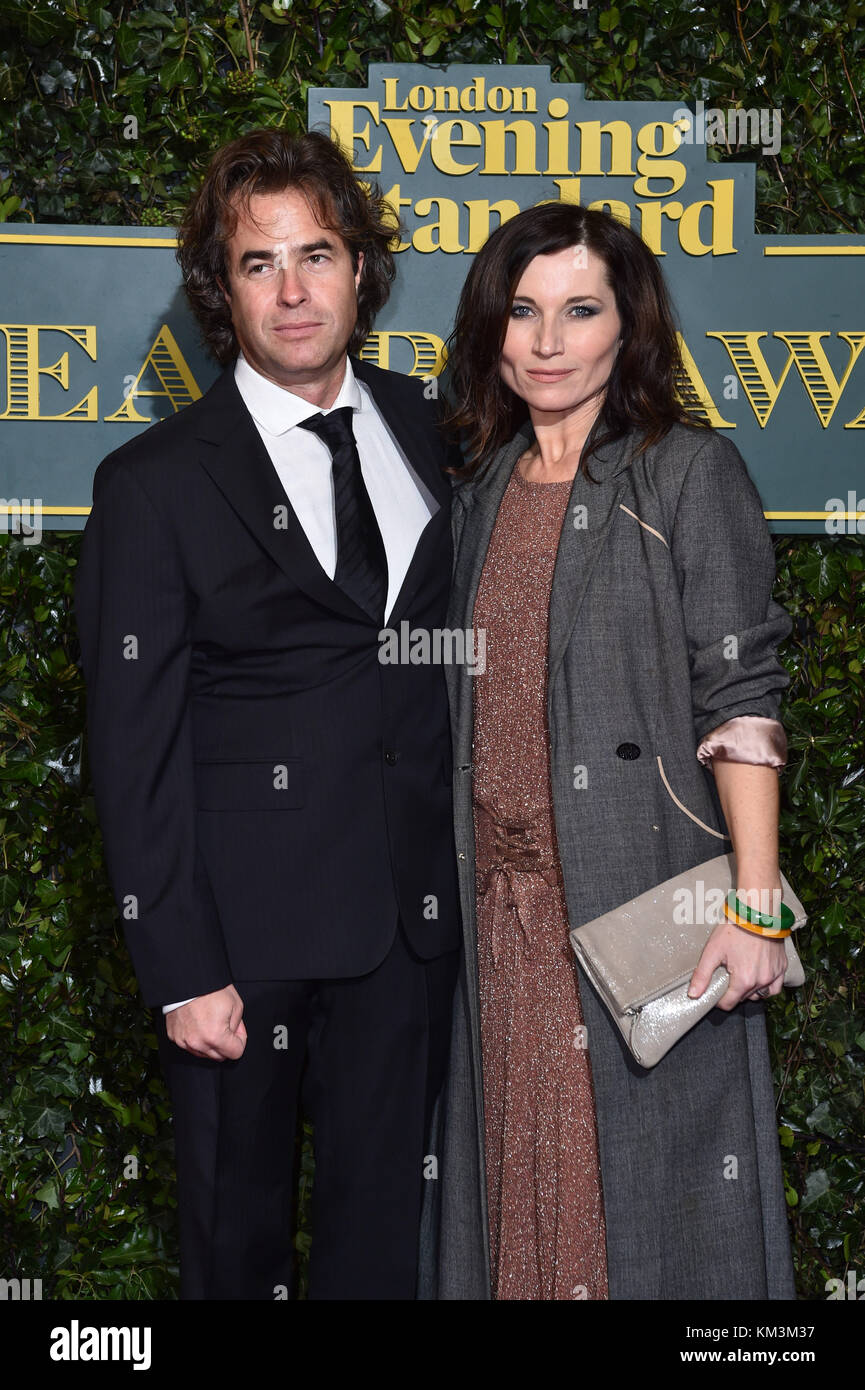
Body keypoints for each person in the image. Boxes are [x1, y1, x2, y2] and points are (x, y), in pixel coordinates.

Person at [74, 128, 461, 1300]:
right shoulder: (155, 481)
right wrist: (182, 968)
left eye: (318, 254)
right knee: (235, 1255)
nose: (294, 290)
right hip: (238, 948)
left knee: (383, 1249)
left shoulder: (436, 429)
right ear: (220, 288)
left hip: (406, 931)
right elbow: (131, 744)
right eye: (259, 263)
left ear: (361, 270)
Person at [425, 201, 796, 1301]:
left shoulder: (686, 472)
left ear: (627, 326)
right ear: (491, 330)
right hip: (500, 925)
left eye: (579, 310)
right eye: (522, 311)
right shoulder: (481, 490)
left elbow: (741, 699)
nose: (547, 341)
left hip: (644, 914)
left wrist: (757, 903)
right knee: (511, 1213)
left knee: (653, 1217)